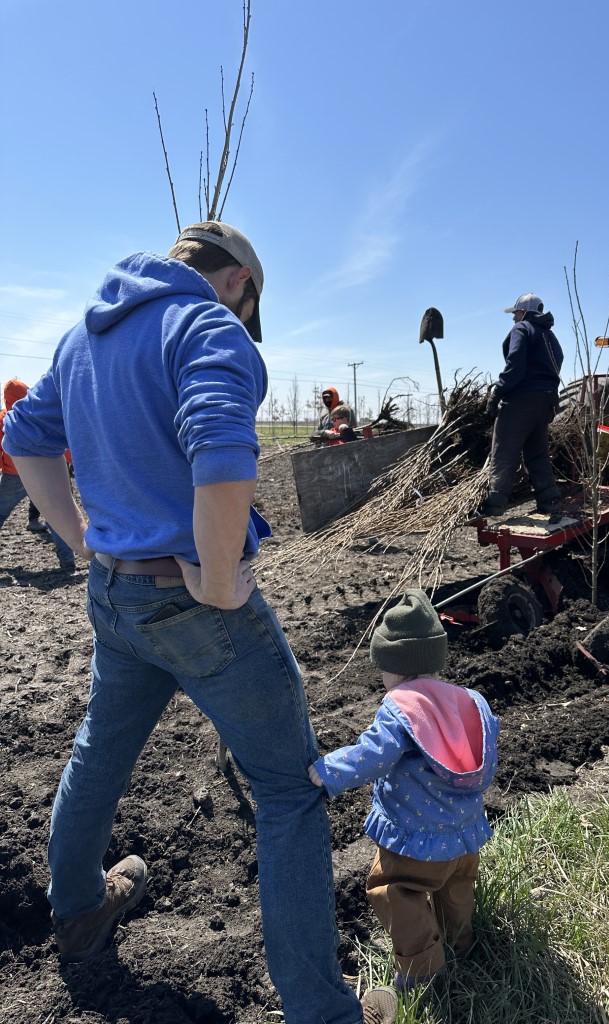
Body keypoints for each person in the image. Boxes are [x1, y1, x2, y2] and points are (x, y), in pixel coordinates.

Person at [2, 221, 395, 1024]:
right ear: (239, 283)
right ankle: (322, 1012)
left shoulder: (84, 337)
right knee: (289, 791)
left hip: (115, 596)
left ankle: (78, 909)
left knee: (99, 747)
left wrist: (82, 540)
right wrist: (220, 583)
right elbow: (222, 453)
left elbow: (24, 437)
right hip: (194, 603)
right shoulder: (206, 323)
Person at [309, 589, 500, 990]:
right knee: (456, 889)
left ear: (394, 666)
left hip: (414, 841)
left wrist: (329, 772)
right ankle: (459, 945)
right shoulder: (470, 701)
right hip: (466, 836)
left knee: (397, 892)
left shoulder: (401, 706)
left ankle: (421, 971)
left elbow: (374, 754)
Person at [480, 293, 564, 517]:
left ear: (524, 312)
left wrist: (498, 391)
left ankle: (495, 501)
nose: (514, 318)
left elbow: (515, 362)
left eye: (516, 313)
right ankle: (549, 498)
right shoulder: (549, 335)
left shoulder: (522, 329)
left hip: (522, 399)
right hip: (547, 401)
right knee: (537, 451)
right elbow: (558, 362)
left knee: (504, 448)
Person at [0, 379, 76, 571]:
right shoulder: (38, 416)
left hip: (13, 475)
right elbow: (60, 443)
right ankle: (67, 561)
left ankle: (34, 522)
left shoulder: (3, 418)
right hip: (42, 473)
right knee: (56, 517)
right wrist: (71, 461)